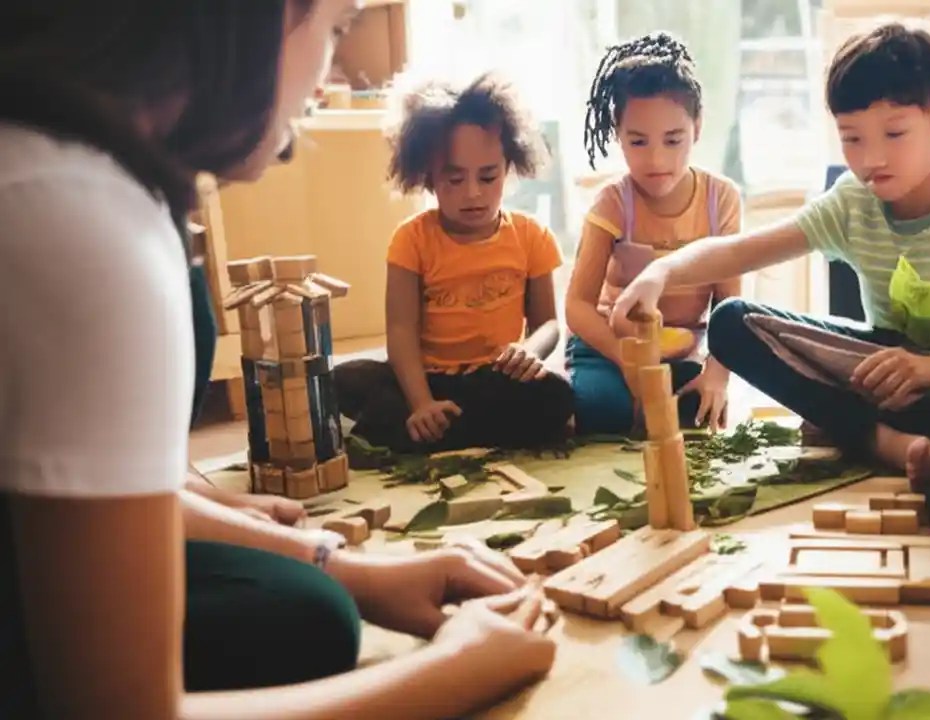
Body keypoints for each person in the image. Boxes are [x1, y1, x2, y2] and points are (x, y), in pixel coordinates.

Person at [0, 2, 554, 718]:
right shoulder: (80, 222)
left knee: (310, 603)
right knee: (305, 620)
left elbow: (133, 489)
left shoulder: (75, 169)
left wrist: (347, 565)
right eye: (331, 31)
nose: (331, 73)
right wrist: (460, 668)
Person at [611, 24, 930, 472]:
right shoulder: (851, 201)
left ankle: (854, 427)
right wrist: (659, 273)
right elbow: (738, 251)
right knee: (730, 324)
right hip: (885, 376)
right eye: (851, 138)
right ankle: (886, 442)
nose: (871, 159)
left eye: (895, 134)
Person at [333, 73, 574, 454]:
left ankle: (435, 433)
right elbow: (400, 332)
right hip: (428, 382)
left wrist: (531, 350)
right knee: (342, 381)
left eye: (488, 176)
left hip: (496, 379)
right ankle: (442, 425)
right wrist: (421, 403)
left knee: (558, 395)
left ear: (509, 167)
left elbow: (547, 322)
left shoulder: (532, 236)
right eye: (454, 178)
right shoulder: (411, 239)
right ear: (427, 178)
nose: (473, 193)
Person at [565, 31, 743, 434]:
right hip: (607, 348)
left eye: (673, 140)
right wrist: (626, 358)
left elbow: (729, 308)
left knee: (693, 415)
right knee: (601, 413)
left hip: (682, 350)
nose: (656, 158)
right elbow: (577, 306)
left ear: (697, 127)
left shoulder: (722, 199)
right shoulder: (612, 202)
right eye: (638, 141)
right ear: (617, 134)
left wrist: (717, 373)